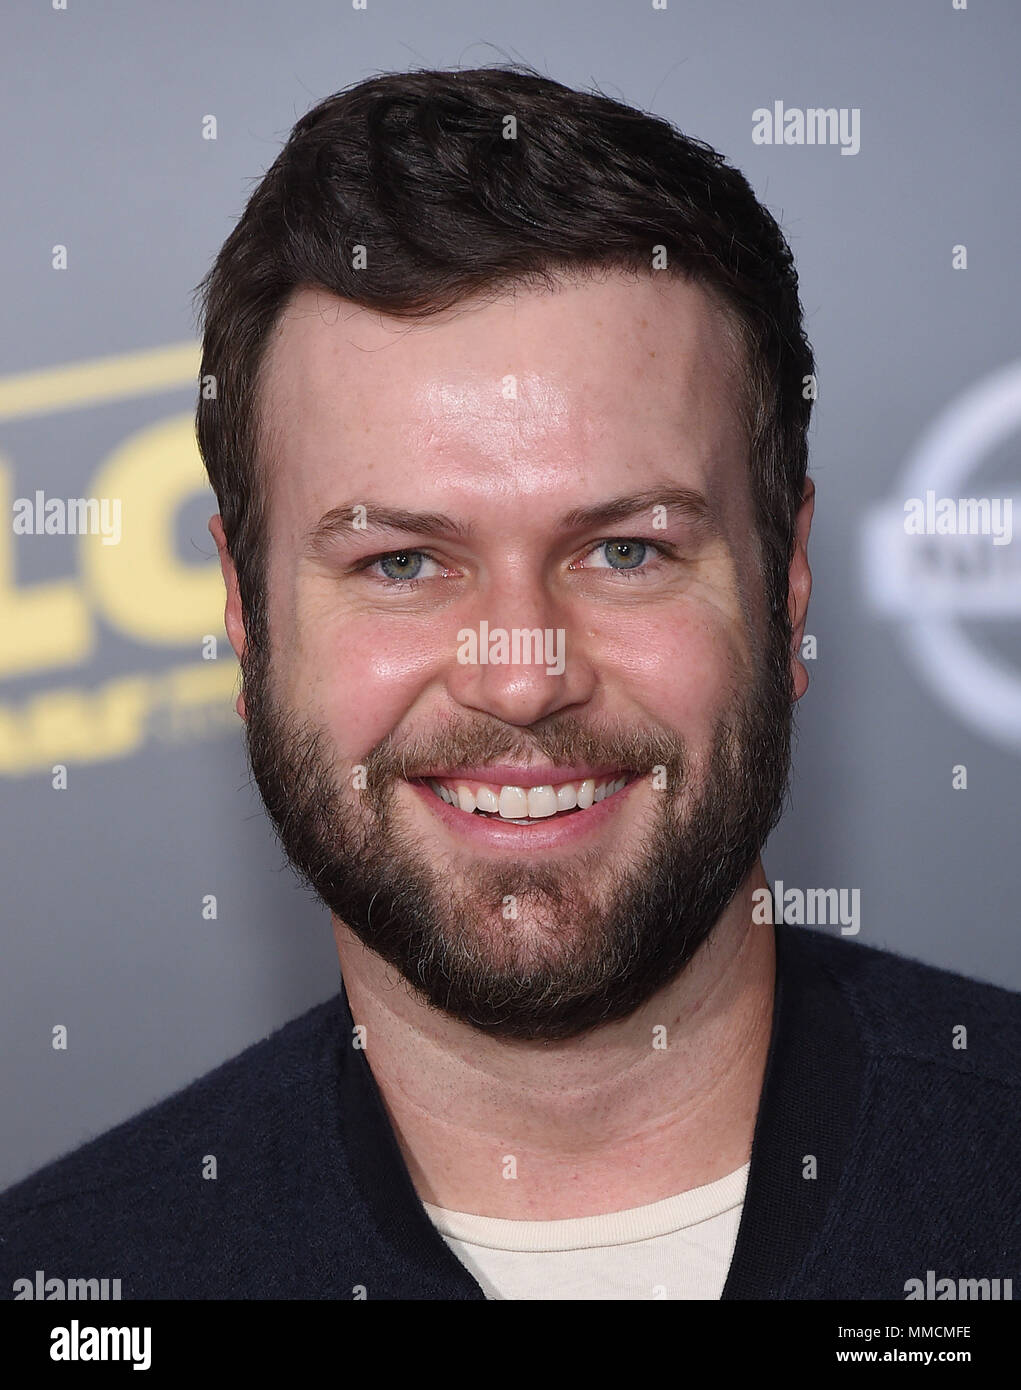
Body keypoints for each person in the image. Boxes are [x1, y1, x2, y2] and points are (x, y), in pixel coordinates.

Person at [2, 65, 1018, 1302]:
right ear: (242, 612)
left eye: (625, 550)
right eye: (404, 561)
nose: (523, 678)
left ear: (787, 578)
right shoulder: (71, 1284)